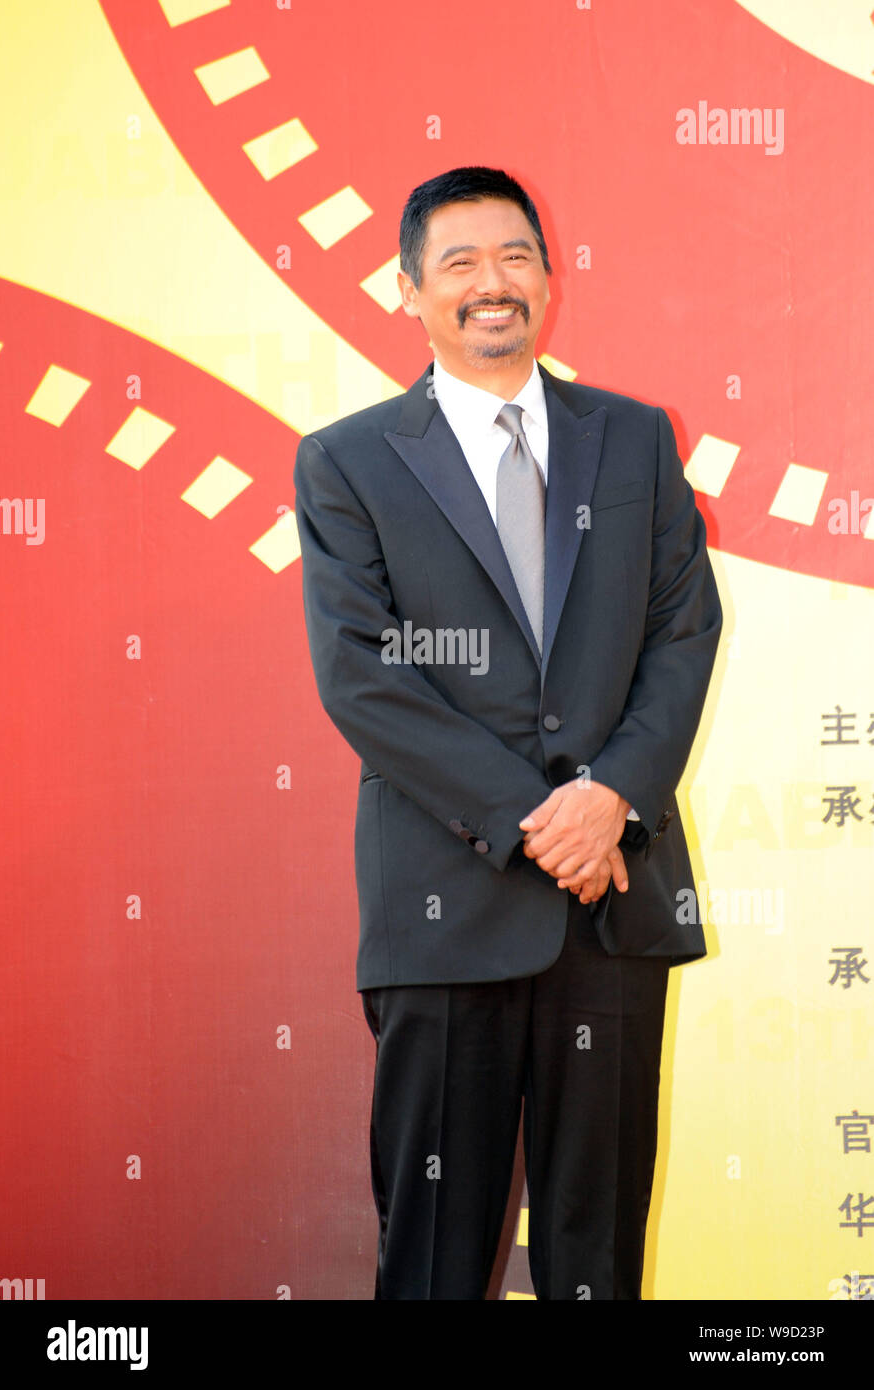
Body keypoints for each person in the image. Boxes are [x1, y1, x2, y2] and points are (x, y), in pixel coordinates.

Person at [293, 166, 722, 1300]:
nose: (494, 285)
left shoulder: (632, 440)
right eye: (461, 264)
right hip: (446, 909)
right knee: (436, 1259)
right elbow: (362, 678)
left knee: (598, 1259)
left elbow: (684, 628)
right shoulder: (349, 461)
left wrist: (610, 796)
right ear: (407, 290)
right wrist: (535, 821)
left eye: (516, 257)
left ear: (551, 275)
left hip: (610, 902)